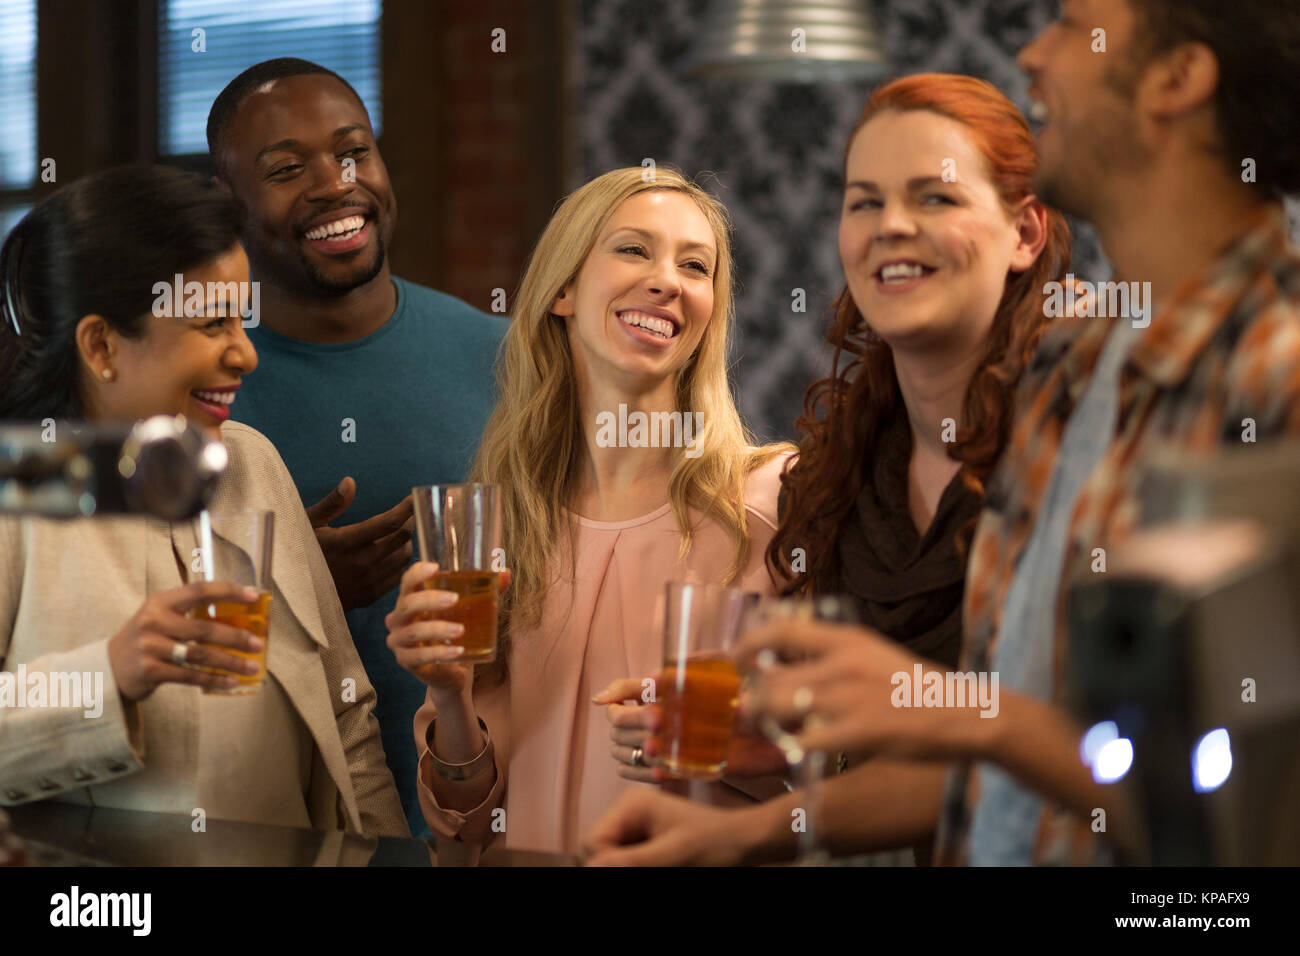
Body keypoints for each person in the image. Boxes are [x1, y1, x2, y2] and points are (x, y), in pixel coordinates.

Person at [584, 0, 1300, 866]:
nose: (1033, 54)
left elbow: (1245, 808)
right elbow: (1012, 759)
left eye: (1074, 25)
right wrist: (741, 831)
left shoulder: (1278, 369)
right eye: (865, 201)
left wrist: (952, 708)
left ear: (1178, 78)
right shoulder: (1074, 372)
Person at [384, 166, 793, 854]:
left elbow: (837, 771)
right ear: (564, 290)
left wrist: (723, 741)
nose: (667, 279)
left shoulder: (777, 500)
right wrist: (450, 697)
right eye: (634, 249)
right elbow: (468, 828)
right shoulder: (481, 524)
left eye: (696, 266)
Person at [0, 165, 407, 839]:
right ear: (102, 345)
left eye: (241, 320)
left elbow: (349, 720)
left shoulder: (251, 462)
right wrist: (110, 672)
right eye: (212, 323)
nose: (246, 354)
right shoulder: (19, 487)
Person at [759, 72, 1071, 863]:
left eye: (934, 197)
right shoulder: (837, 467)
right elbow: (845, 754)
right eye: (864, 201)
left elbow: (1100, 745)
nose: (891, 225)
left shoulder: (1082, 442)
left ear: (1026, 235)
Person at [207, 58, 509, 838]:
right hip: (285, 834)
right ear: (229, 207)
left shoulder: (510, 361)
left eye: (353, 152)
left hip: (489, 828)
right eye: (283, 169)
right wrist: (304, 597)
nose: (335, 183)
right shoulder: (203, 396)